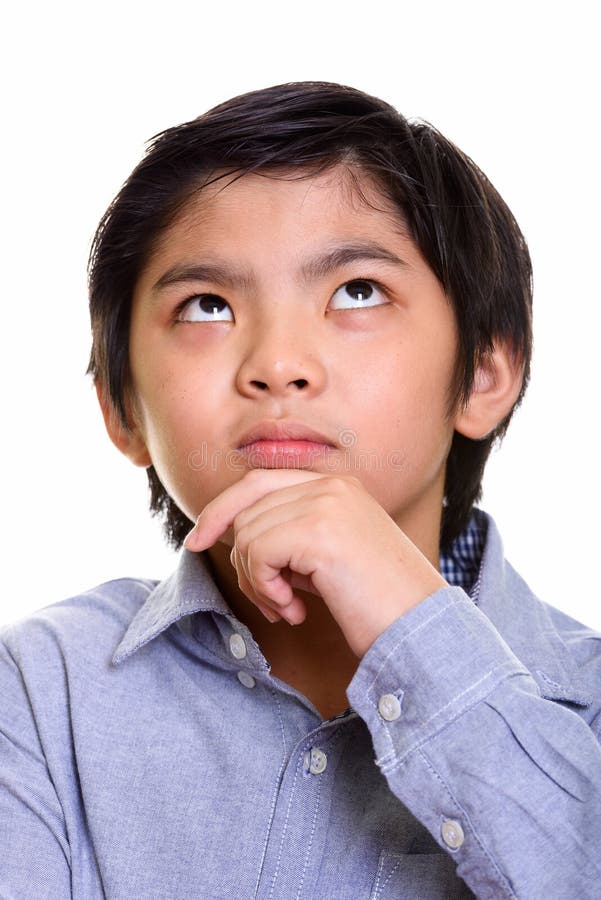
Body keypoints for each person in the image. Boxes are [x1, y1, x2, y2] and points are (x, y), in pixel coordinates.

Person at [1, 81, 600, 900]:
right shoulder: (41, 690)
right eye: (206, 305)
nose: (277, 362)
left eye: (356, 292)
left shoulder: (584, 705)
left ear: (484, 373)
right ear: (121, 406)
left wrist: (413, 631)